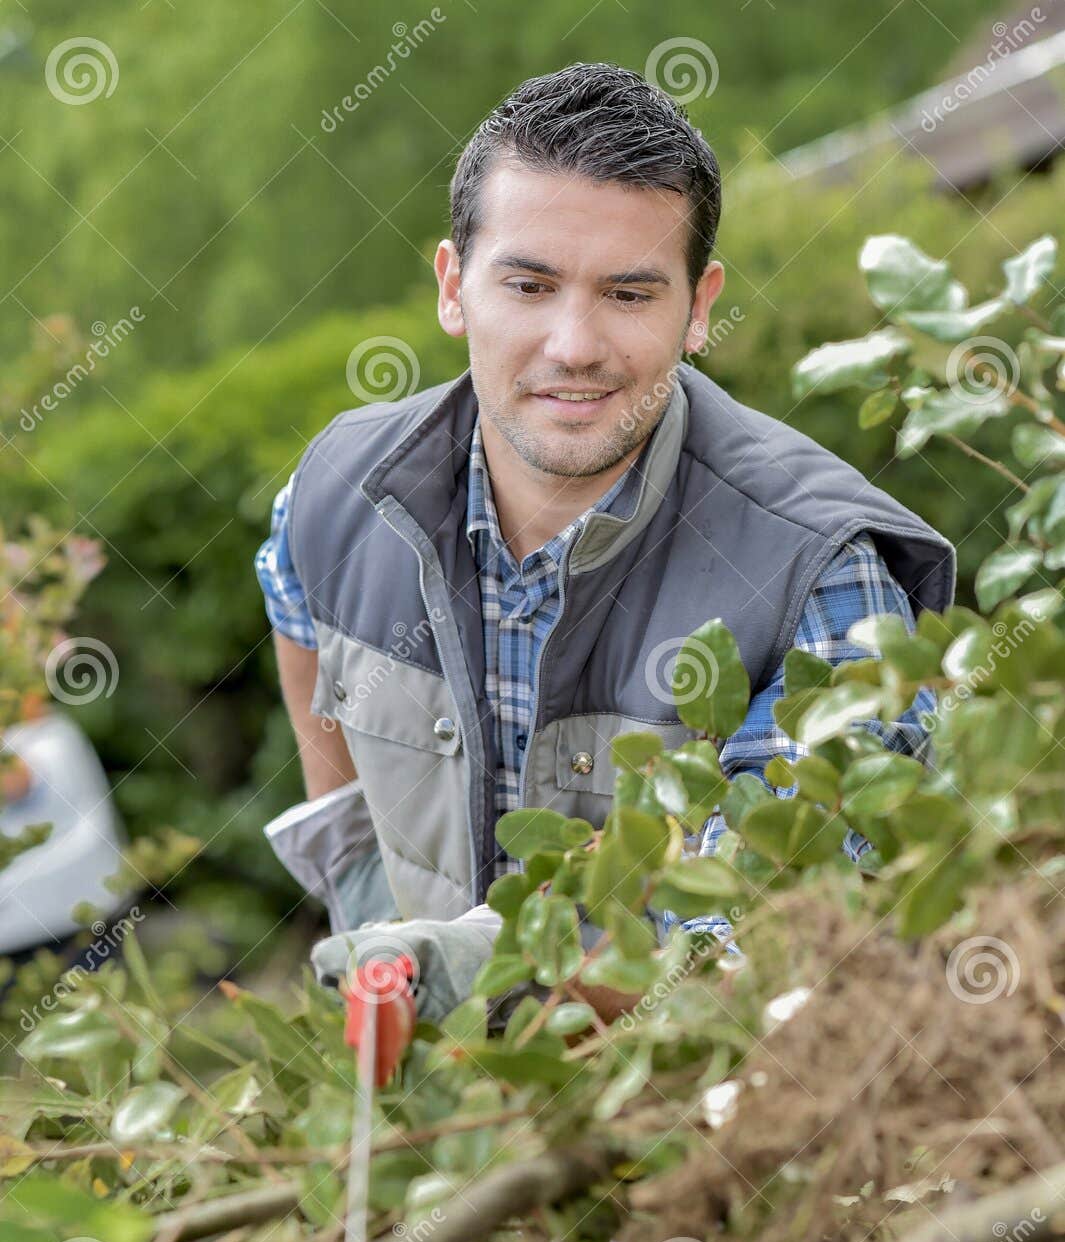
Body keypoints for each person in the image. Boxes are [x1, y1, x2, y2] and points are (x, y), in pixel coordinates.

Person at [254, 60, 954, 1030]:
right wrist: (375, 905)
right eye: (530, 284)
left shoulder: (819, 573)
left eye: (629, 294)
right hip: (439, 1119)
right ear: (455, 287)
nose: (575, 343)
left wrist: (484, 974)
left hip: (699, 1131)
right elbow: (299, 625)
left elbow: (781, 947)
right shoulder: (335, 496)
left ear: (699, 306)